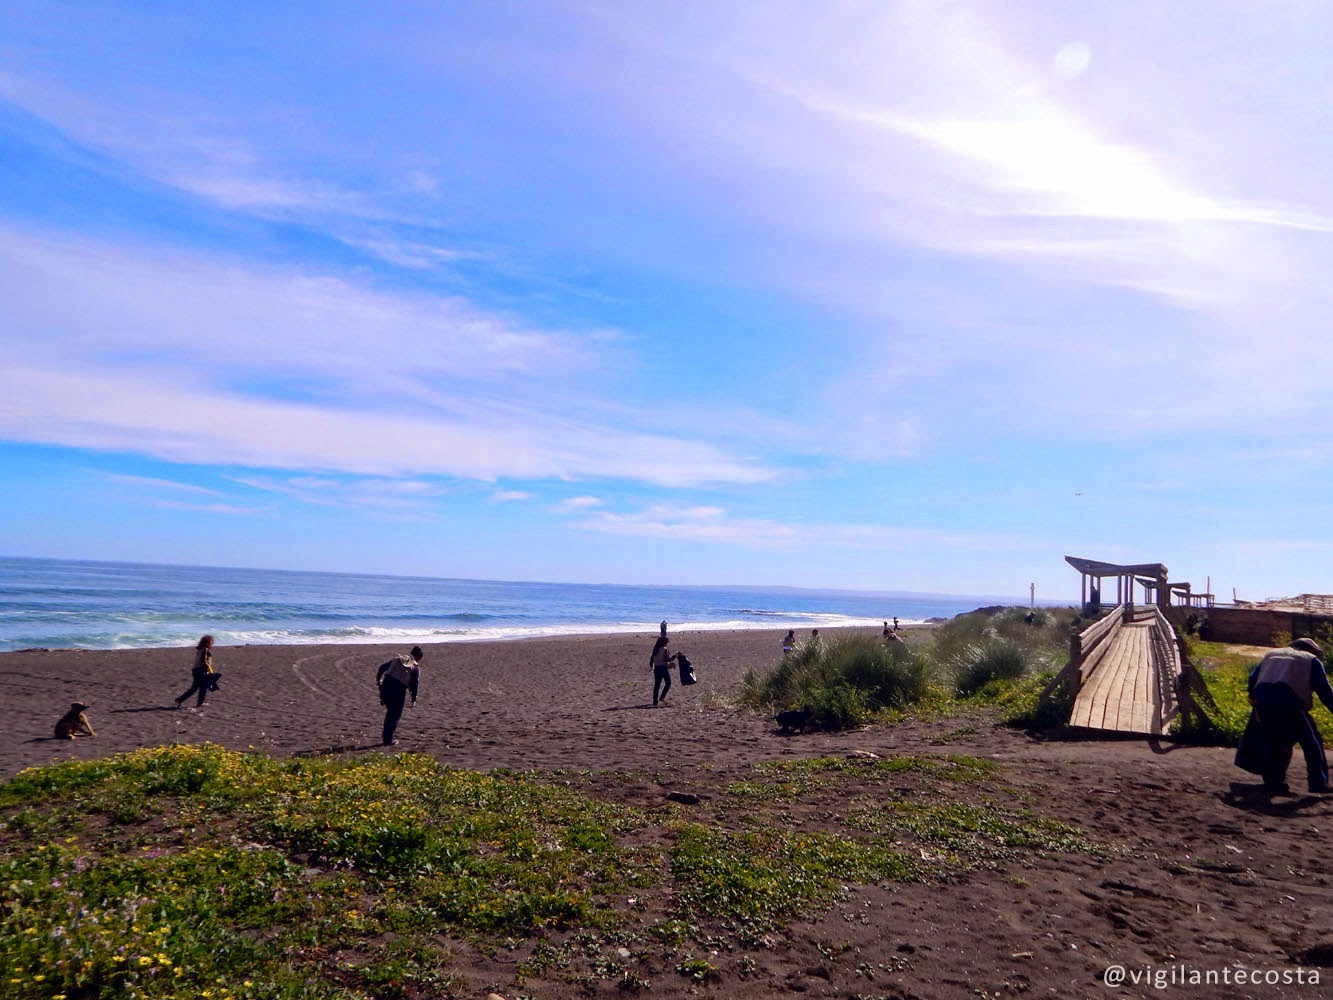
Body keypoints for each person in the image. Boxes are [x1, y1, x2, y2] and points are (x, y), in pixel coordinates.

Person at [1236, 637, 1333, 794]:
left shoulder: (1272, 655)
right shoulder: (1311, 660)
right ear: (1312, 650)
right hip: (1289, 702)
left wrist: (1256, 699)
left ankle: (1274, 782)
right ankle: (1317, 782)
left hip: (1263, 701)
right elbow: (1325, 692)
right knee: (1311, 742)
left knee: (1274, 742)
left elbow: (1253, 678)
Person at [377, 645, 423, 746]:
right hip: (398, 690)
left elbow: (382, 667)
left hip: (386, 685)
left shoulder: (398, 659)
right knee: (394, 715)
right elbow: (414, 684)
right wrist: (413, 699)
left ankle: (386, 736)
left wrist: (378, 681)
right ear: (419, 657)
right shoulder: (415, 667)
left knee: (390, 712)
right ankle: (388, 740)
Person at [175, 634, 219, 708]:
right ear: (206, 643)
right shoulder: (205, 650)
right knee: (202, 687)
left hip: (196, 670)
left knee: (195, 688)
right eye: (211, 643)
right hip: (201, 671)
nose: (212, 645)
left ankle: (180, 700)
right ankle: (184, 700)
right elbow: (205, 661)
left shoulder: (200, 650)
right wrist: (210, 670)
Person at [649, 634, 676, 706]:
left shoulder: (655, 648)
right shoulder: (664, 649)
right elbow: (668, 659)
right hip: (663, 668)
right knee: (668, 682)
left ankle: (655, 702)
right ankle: (662, 697)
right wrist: (675, 655)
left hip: (656, 668)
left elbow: (651, 658)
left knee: (657, 685)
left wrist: (651, 665)